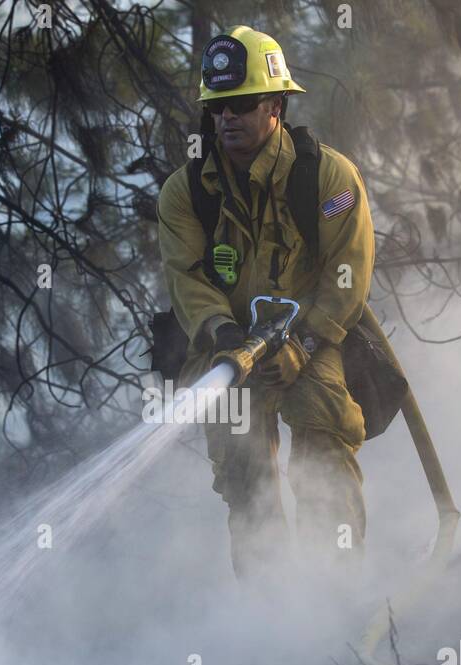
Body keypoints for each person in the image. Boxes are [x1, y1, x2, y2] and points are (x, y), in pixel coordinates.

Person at [157, 26, 376, 585]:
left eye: (242, 104)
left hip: (311, 338)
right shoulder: (187, 192)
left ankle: (338, 595)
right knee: (245, 475)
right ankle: (272, 619)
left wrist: (303, 345)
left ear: (276, 104)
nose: (227, 118)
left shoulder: (329, 177)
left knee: (324, 440)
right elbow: (188, 277)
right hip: (228, 348)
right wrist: (224, 335)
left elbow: (346, 274)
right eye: (218, 107)